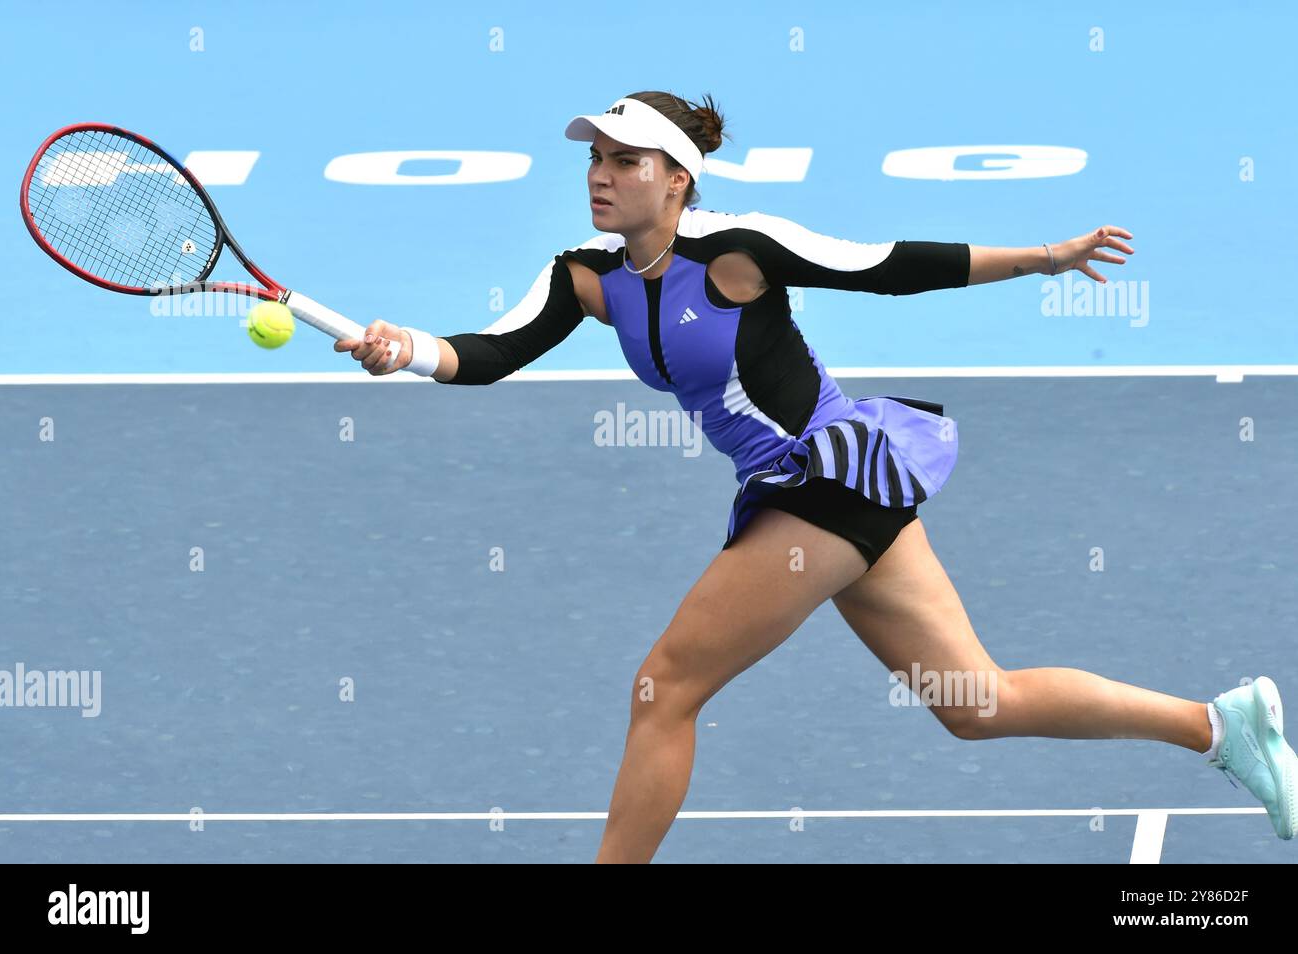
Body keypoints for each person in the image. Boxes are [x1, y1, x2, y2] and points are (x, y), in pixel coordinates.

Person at [336, 90, 1297, 862]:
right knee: (975, 703)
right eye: (594, 158)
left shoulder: (739, 252)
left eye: (625, 160)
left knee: (663, 687)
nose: (599, 175)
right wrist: (403, 348)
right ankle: (1220, 726)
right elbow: (491, 351)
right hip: (827, 492)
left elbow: (891, 265)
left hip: (830, 475)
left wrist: (1046, 259)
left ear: (677, 180)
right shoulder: (585, 274)